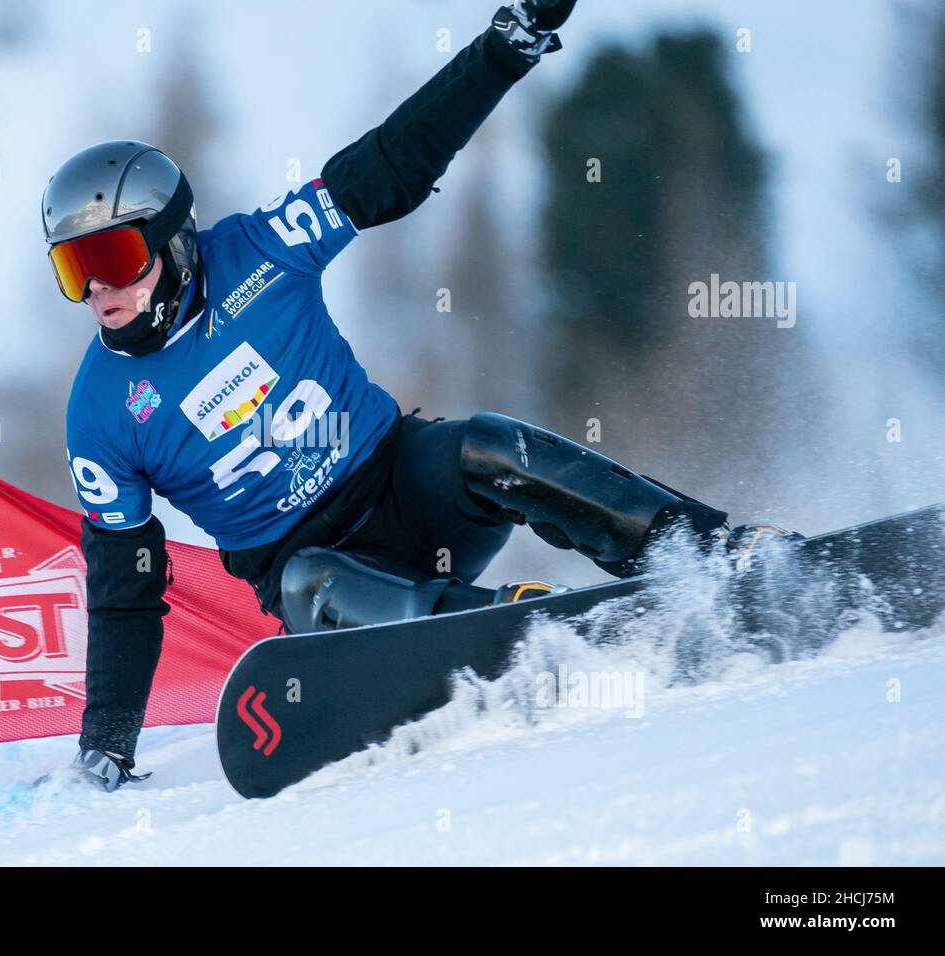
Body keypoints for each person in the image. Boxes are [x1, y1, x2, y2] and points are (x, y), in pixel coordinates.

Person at [42, 1, 788, 791]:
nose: (96, 289)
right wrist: (109, 741)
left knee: (489, 444)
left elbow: (395, 162)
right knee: (309, 582)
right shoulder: (100, 413)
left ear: (174, 241)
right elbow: (126, 589)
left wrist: (509, 46)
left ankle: (708, 553)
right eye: (71, 267)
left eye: (112, 255)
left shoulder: (263, 251)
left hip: (406, 485)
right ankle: (526, 629)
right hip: (320, 575)